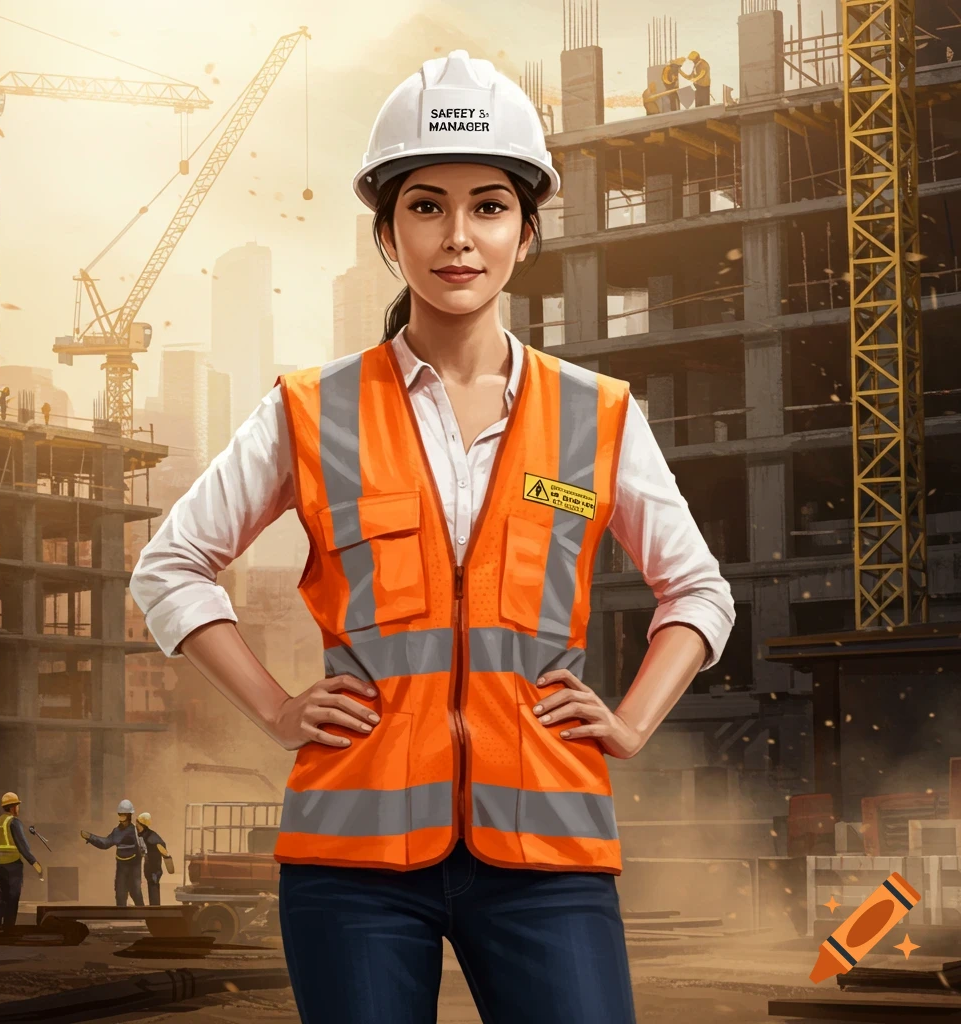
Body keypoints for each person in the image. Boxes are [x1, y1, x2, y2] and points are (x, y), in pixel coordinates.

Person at [130, 48, 734, 1024]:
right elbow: (172, 565)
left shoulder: (595, 417)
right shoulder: (310, 412)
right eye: (426, 206)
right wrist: (279, 711)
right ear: (386, 232)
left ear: (528, 232)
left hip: (546, 853)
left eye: (489, 205)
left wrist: (629, 724)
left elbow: (698, 590)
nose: (458, 237)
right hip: (353, 866)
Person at [0, 791, 43, 927]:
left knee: (3, 898)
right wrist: (35, 863)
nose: (18, 808)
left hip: (0, 865)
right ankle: (9, 928)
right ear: (13, 807)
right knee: (13, 898)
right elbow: (23, 846)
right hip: (13, 865)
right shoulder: (14, 822)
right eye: (17, 806)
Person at [81, 799, 144, 907]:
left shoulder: (136, 831)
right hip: (121, 866)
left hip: (134, 866)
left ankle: (144, 915)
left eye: (124, 815)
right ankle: (122, 918)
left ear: (129, 816)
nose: (121, 819)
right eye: (120, 815)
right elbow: (106, 843)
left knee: (135, 892)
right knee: (120, 894)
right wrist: (91, 837)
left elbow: (144, 847)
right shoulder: (117, 831)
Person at [135, 812, 173, 906]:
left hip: (154, 869)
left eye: (137, 823)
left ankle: (155, 908)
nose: (136, 825)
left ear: (141, 824)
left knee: (153, 886)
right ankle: (154, 907)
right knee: (151, 885)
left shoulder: (152, 837)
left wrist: (167, 858)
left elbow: (162, 848)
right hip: (149, 867)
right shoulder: (142, 835)